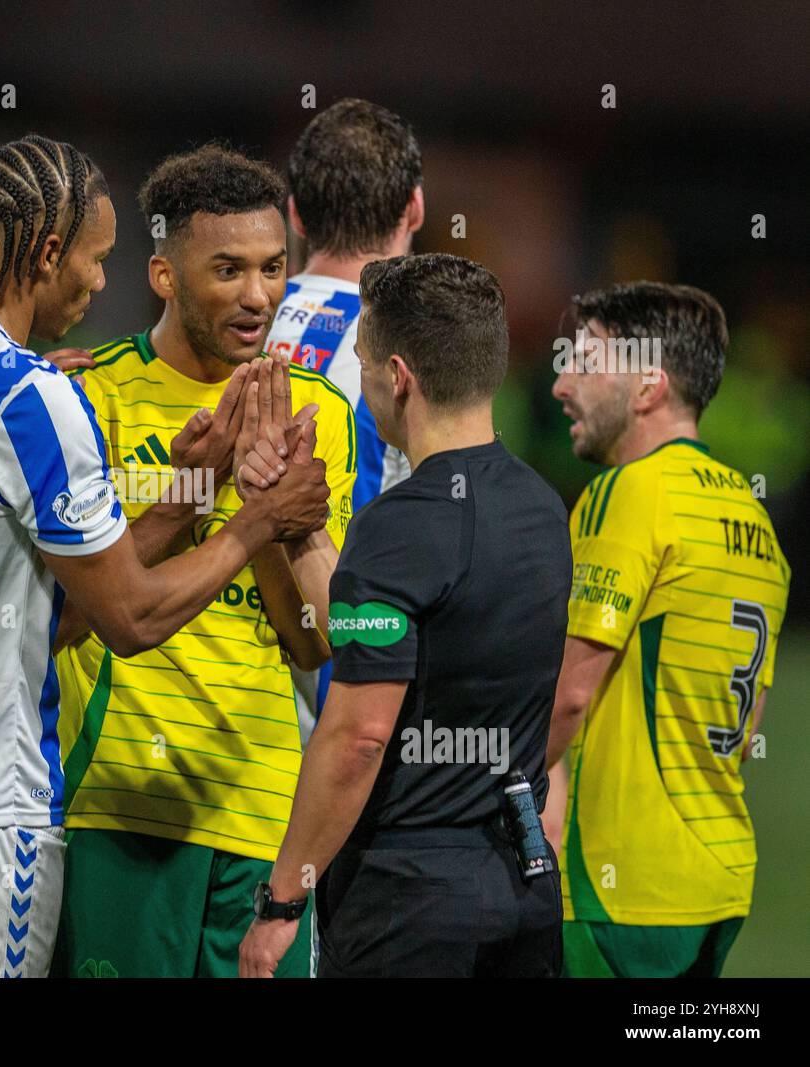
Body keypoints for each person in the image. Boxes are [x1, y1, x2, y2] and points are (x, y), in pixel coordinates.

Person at [0, 134, 330, 978]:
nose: (99, 282)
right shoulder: (33, 395)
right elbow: (129, 615)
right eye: (96, 259)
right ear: (47, 253)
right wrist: (253, 522)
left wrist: (185, 493)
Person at [52, 145, 356, 978]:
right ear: (163, 275)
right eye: (227, 269)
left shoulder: (318, 414)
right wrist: (198, 488)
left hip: (262, 809)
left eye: (271, 268)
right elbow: (67, 619)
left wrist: (271, 514)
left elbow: (314, 644)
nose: (257, 296)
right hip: (121, 802)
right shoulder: (90, 398)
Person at [239, 253, 572, 978]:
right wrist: (300, 527)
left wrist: (283, 899)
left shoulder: (402, 525)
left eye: (360, 361)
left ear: (398, 377)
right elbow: (374, 632)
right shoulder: (544, 511)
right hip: (521, 884)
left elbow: (359, 735)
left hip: (411, 903)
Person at [548, 282, 791, 978]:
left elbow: (569, 693)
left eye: (584, 361)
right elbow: (747, 728)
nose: (562, 383)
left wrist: (480, 798)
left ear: (647, 383)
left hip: (621, 885)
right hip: (717, 879)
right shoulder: (751, 517)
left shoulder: (627, 492)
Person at [266, 97, 424, 742]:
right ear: (414, 207)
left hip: (212, 703)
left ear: (295, 214)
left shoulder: (224, 326)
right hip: (344, 715)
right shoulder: (413, 352)